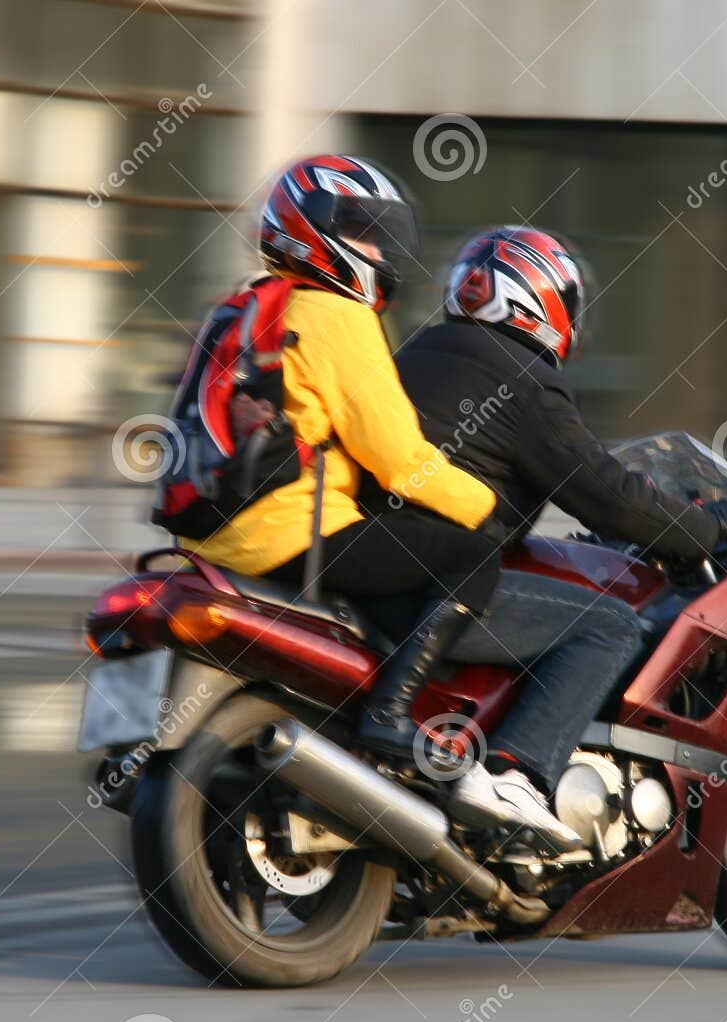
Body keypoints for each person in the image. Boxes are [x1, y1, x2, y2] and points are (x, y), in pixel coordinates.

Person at [392, 225, 727, 843]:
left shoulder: (417, 354)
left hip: (378, 558)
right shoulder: (522, 379)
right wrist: (703, 527)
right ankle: (518, 775)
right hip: (443, 580)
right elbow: (608, 494)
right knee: (607, 624)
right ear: (540, 300)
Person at [182, 155, 501, 761]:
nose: (377, 251)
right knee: (471, 558)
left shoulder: (248, 308)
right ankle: (389, 715)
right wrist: (483, 507)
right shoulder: (338, 315)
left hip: (211, 540)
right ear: (313, 230)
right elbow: (401, 461)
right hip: (292, 533)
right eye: (361, 231)